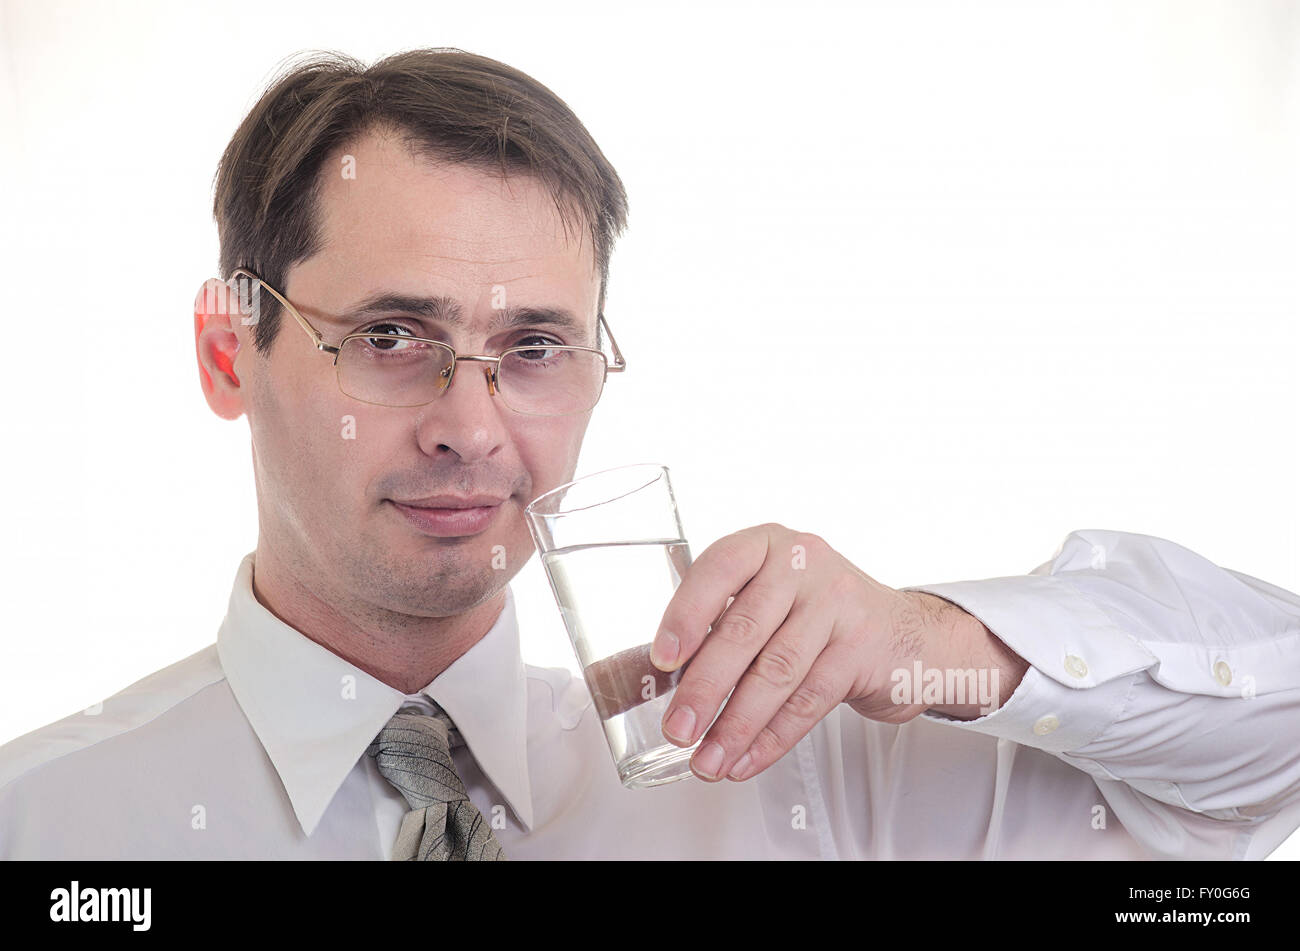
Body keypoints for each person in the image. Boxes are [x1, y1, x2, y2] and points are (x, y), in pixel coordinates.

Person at [2, 47, 1297, 861]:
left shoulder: (818, 786)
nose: (471, 422)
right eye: (393, 334)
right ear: (231, 352)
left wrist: (935, 643)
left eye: (535, 345)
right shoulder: (42, 830)